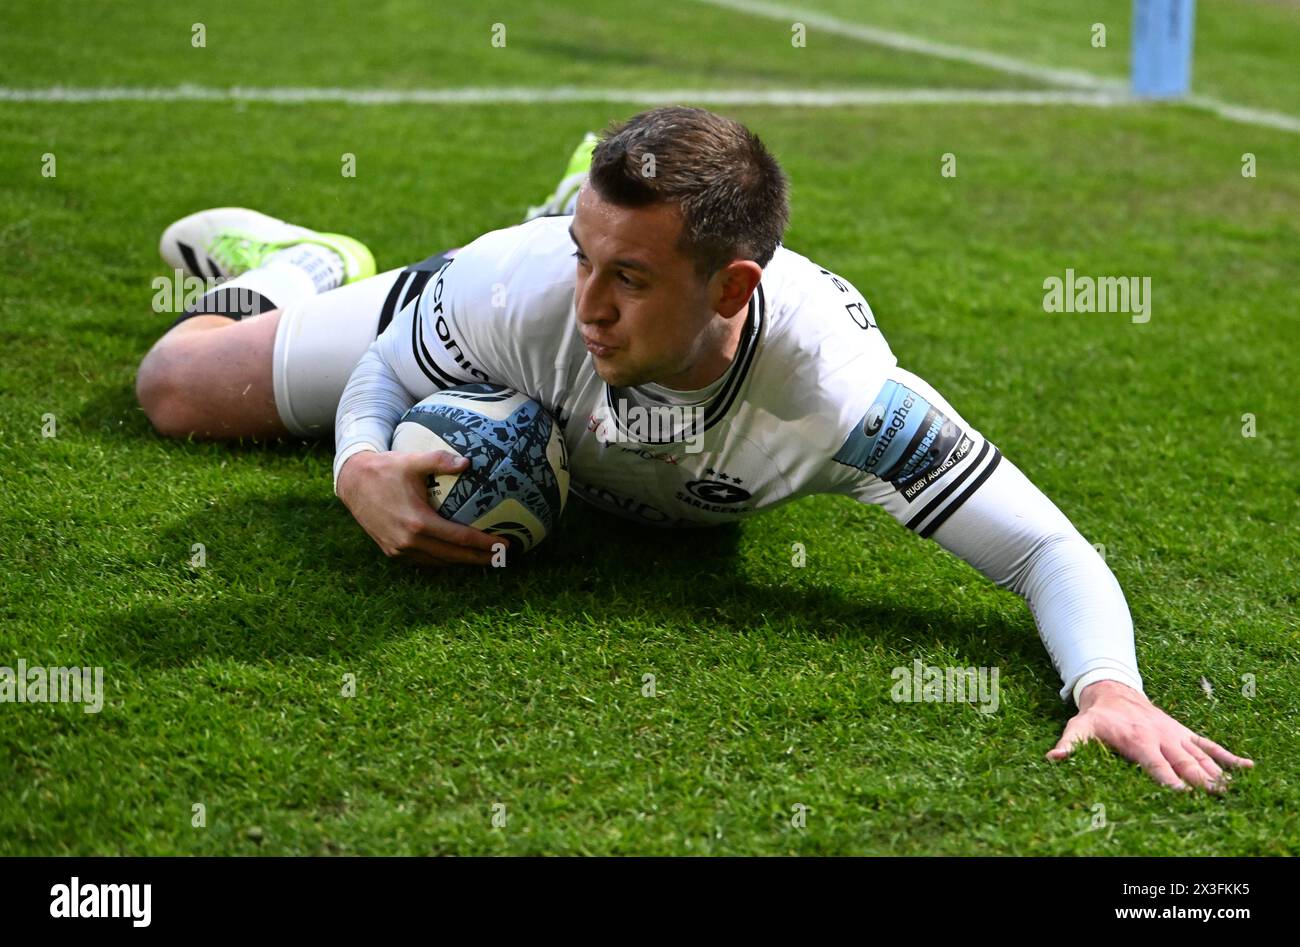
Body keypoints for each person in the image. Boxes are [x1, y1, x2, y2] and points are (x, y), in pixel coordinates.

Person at [134, 106, 1253, 794]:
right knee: (177, 386)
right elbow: (389, 363)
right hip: (473, 305)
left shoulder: (839, 398)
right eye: (587, 256)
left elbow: (1044, 551)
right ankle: (302, 259)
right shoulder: (527, 293)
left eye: (626, 275)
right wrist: (358, 462)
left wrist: (1111, 687)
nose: (590, 307)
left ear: (731, 288)